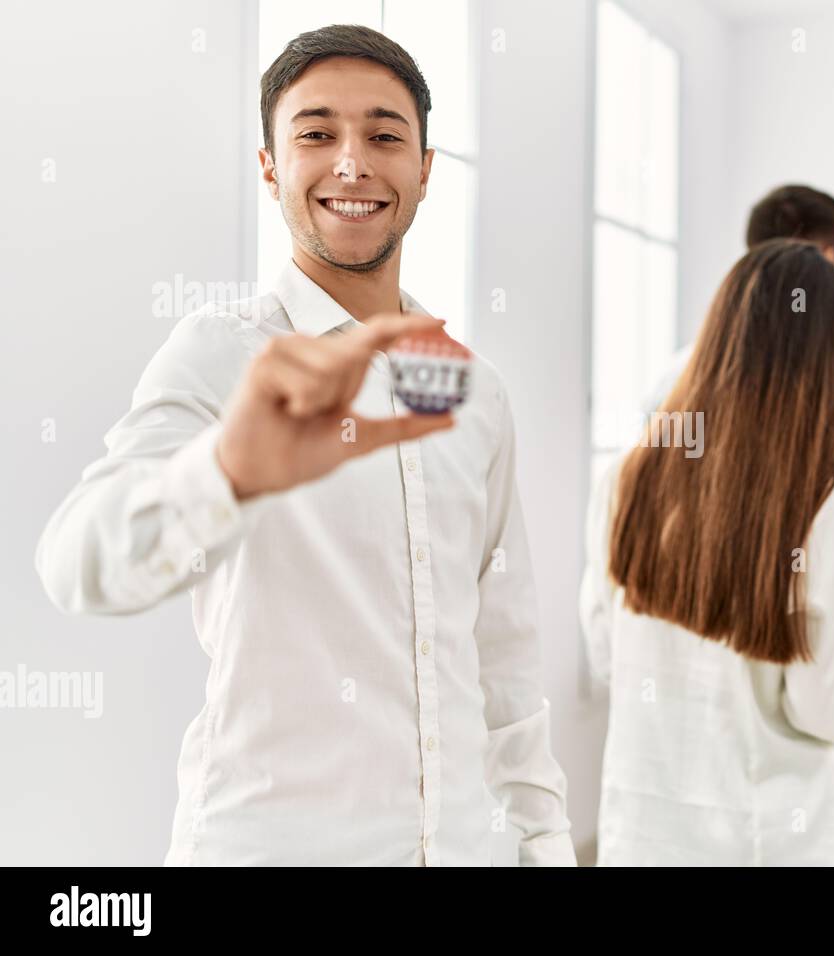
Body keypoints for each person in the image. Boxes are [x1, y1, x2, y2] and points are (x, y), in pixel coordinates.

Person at [34, 25, 575, 866]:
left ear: (426, 170)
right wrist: (227, 472)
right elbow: (77, 564)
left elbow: (502, 662)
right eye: (316, 134)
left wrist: (542, 845)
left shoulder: (474, 390)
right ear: (270, 166)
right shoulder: (221, 355)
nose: (353, 163)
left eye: (386, 136)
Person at [580, 239, 834, 866]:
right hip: (777, 841)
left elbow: (606, 655)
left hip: (643, 835)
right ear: (830, 362)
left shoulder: (628, 475)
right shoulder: (823, 498)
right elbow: (823, 706)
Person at [644, 184, 834, 581]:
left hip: (678, 619)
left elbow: (649, 516)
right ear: (824, 260)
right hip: (805, 631)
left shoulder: (673, 381)